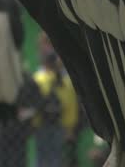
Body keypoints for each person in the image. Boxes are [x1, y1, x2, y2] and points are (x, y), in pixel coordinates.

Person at [32, 33, 80, 167]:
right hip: (42, 123)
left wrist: (70, 127)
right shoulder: (39, 78)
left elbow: (70, 101)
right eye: (46, 44)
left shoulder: (65, 80)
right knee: (42, 156)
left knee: (55, 157)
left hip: (60, 123)